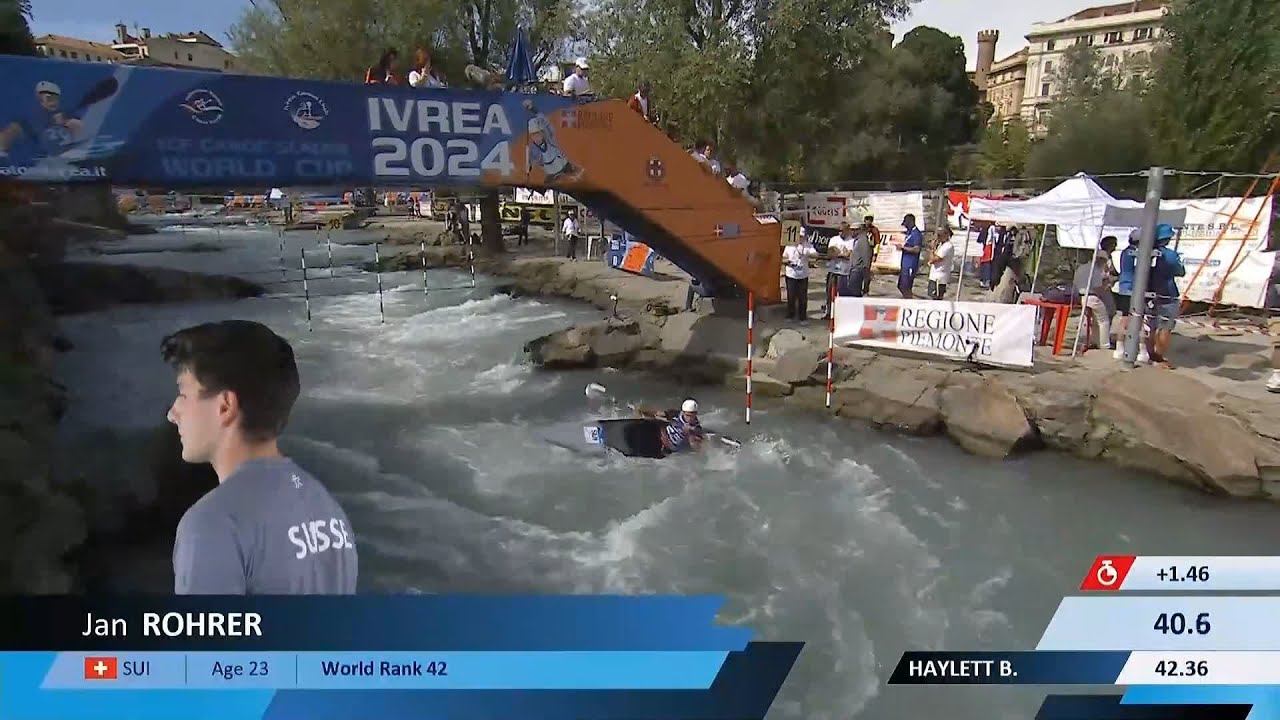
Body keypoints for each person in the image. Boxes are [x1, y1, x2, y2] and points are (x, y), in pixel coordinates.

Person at [161, 321, 357, 594]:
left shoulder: (211, 524)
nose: (173, 412)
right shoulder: (326, 508)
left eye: (183, 394)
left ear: (225, 406)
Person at [1143, 223, 1185, 366]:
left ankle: (1150, 355)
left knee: (1151, 326)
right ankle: (1159, 357)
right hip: (1167, 293)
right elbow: (1181, 271)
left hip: (1148, 293)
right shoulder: (1170, 255)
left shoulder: (1145, 253)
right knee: (1165, 328)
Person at [1074, 236, 1119, 349]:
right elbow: (1098, 288)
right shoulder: (1096, 270)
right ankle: (1104, 344)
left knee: (1096, 319)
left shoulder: (1082, 267)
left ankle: (1095, 340)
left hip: (1081, 296)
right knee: (1104, 320)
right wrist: (1108, 285)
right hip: (1092, 296)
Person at [1112, 229, 1149, 362]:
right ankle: (1142, 350)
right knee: (1140, 319)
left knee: (1124, 319)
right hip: (1135, 288)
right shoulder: (1138, 253)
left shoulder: (1125, 252)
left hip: (1123, 288)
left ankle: (1119, 348)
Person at [639, 399, 706, 455]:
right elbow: (657, 413)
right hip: (663, 436)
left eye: (692, 415)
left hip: (671, 450)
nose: (690, 418)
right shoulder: (675, 414)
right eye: (687, 415)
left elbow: (696, 447)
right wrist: (643, 411)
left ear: (696, 414)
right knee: (656, 418)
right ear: (683, 412)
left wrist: (690, 435)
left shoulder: (696, 428)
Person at [782, 231, 818, 322]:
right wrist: (787, 261)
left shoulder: (808, 245)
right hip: (791, 274)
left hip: (803, 275)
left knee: (802, 297)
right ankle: (790, 315)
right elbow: (783, 257)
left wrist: (808, 254)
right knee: (791, 296)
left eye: (802, 236)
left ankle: (802, 317)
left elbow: (816, 254)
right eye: (799, 236)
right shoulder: (790, 245)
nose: (800, 238)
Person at [823, 223, 854, 317]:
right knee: (829, 293)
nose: (840, 233)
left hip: (844, 272)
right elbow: (830, 254)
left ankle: (841, 314)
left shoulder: (852, 241)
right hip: (833, 271)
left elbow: (848, 255)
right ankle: (828, 312)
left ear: (848, 230)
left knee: (842, 294)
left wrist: (837, 254)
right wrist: (841, 254)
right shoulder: (834, 239)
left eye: (843, 230)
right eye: (839, 230)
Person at [898, 214, 924, 299]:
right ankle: (906, 298)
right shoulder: (909, 233)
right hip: (904, 264)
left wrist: (903, 248)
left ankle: (908, 301)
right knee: (900, 285)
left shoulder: (916, 234)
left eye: (906, 224)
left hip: (911, 264)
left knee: (906, 287)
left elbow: (917, 249)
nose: (905, 226)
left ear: (911, 222)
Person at [927, 227, 955, 300]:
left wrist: (932, 249)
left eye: (939, 235)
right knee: (931, 296)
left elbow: (933, 260)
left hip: (939, 278)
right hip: (934, 275)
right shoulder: (940, 245)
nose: (937, 237)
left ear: (946, 235)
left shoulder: (948, 246)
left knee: (937, 297)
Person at [860, 215, 881, 295]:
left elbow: (877, 243)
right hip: (859, 250)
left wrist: (875, 254)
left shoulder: (874, 230)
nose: (868, 221)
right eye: (867, 220)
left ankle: (865, 289)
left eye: (870, 220)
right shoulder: (861, 228)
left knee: (866, 271)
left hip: (869, 251)